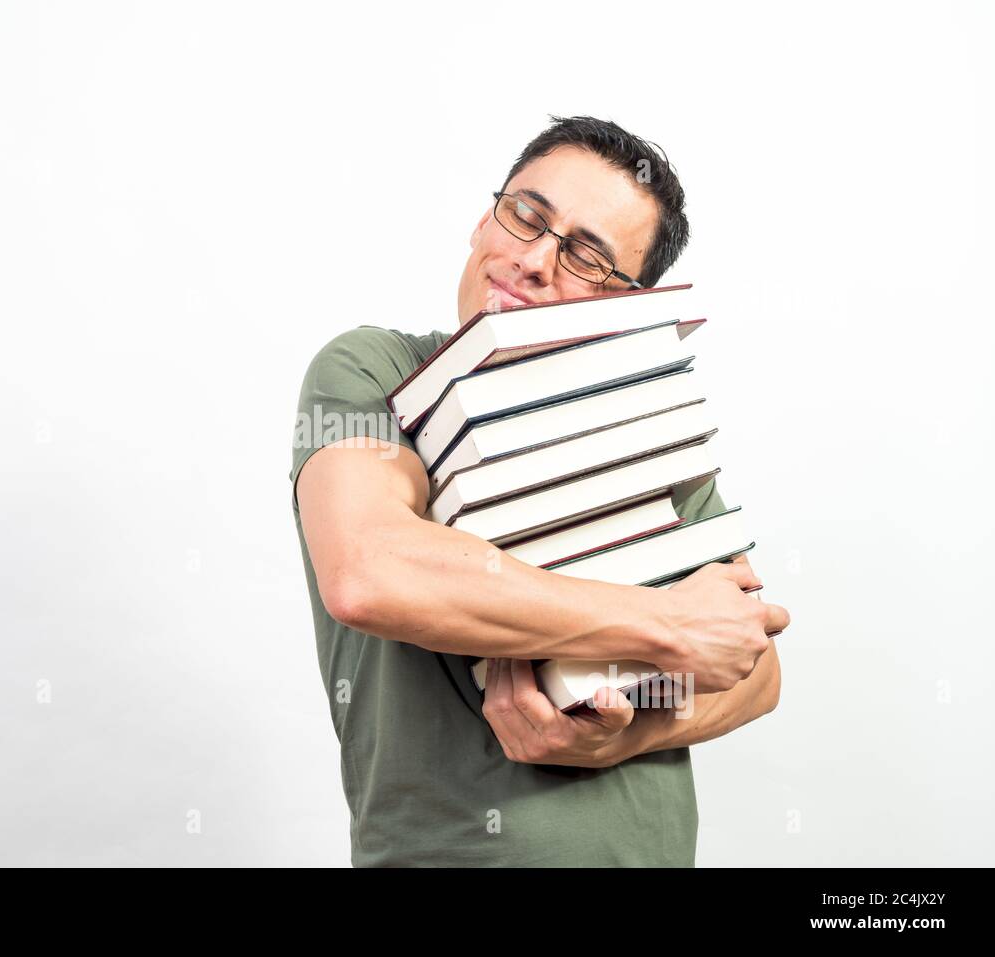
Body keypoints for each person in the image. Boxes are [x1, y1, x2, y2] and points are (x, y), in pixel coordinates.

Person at [288, 115, 791, 867]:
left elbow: (753, 666)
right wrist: (662, 625)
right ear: (483, 217)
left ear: (627, 309)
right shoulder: (370, 372)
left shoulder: (645, 427)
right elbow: (370, 572)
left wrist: (621, 730)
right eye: (526, 214)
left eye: (586, 255)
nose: (531, 261)